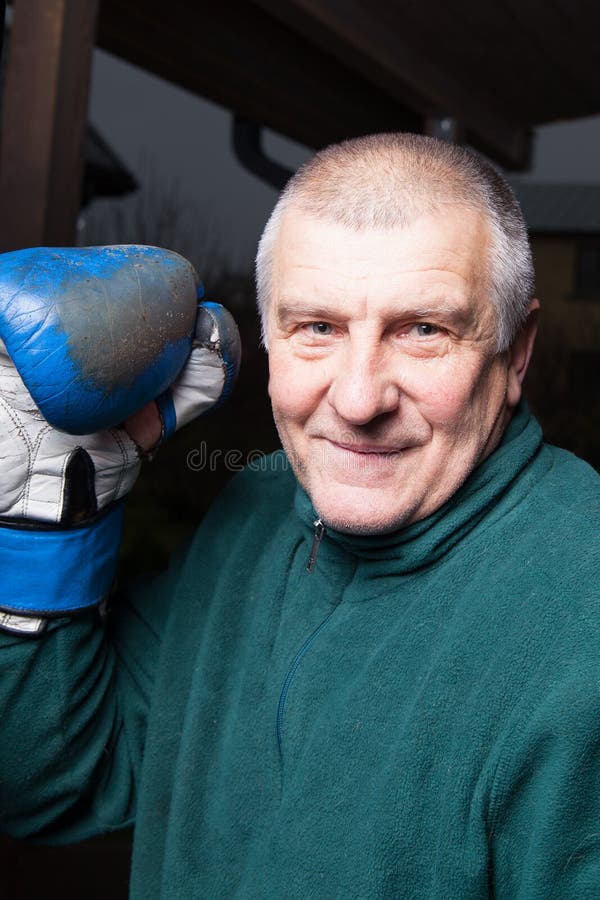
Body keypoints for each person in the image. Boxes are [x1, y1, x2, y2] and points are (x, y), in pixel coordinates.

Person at [1, 133, 599, 899]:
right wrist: (46, 529)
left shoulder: (582, 627)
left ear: (515, 354)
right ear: (269, 338)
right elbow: (56, 782)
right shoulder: (256, 505)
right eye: (318, 327)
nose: (358, 399)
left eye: (423, 330)